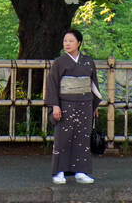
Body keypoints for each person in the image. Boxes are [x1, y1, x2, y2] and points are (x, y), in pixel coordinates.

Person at [44, 27, 102, 184]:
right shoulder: (59, 62)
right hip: (65, 104)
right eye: (65, 41)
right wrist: (55, 106)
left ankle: (81, 172)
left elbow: (93, 85)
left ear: (79, 43)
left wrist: (94, 106)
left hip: (85, 104)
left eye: (71, 41)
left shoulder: (88, 62)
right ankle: (59, 172)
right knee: (62, 138)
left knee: (82, 138)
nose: (67, 44)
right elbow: (52, 85)